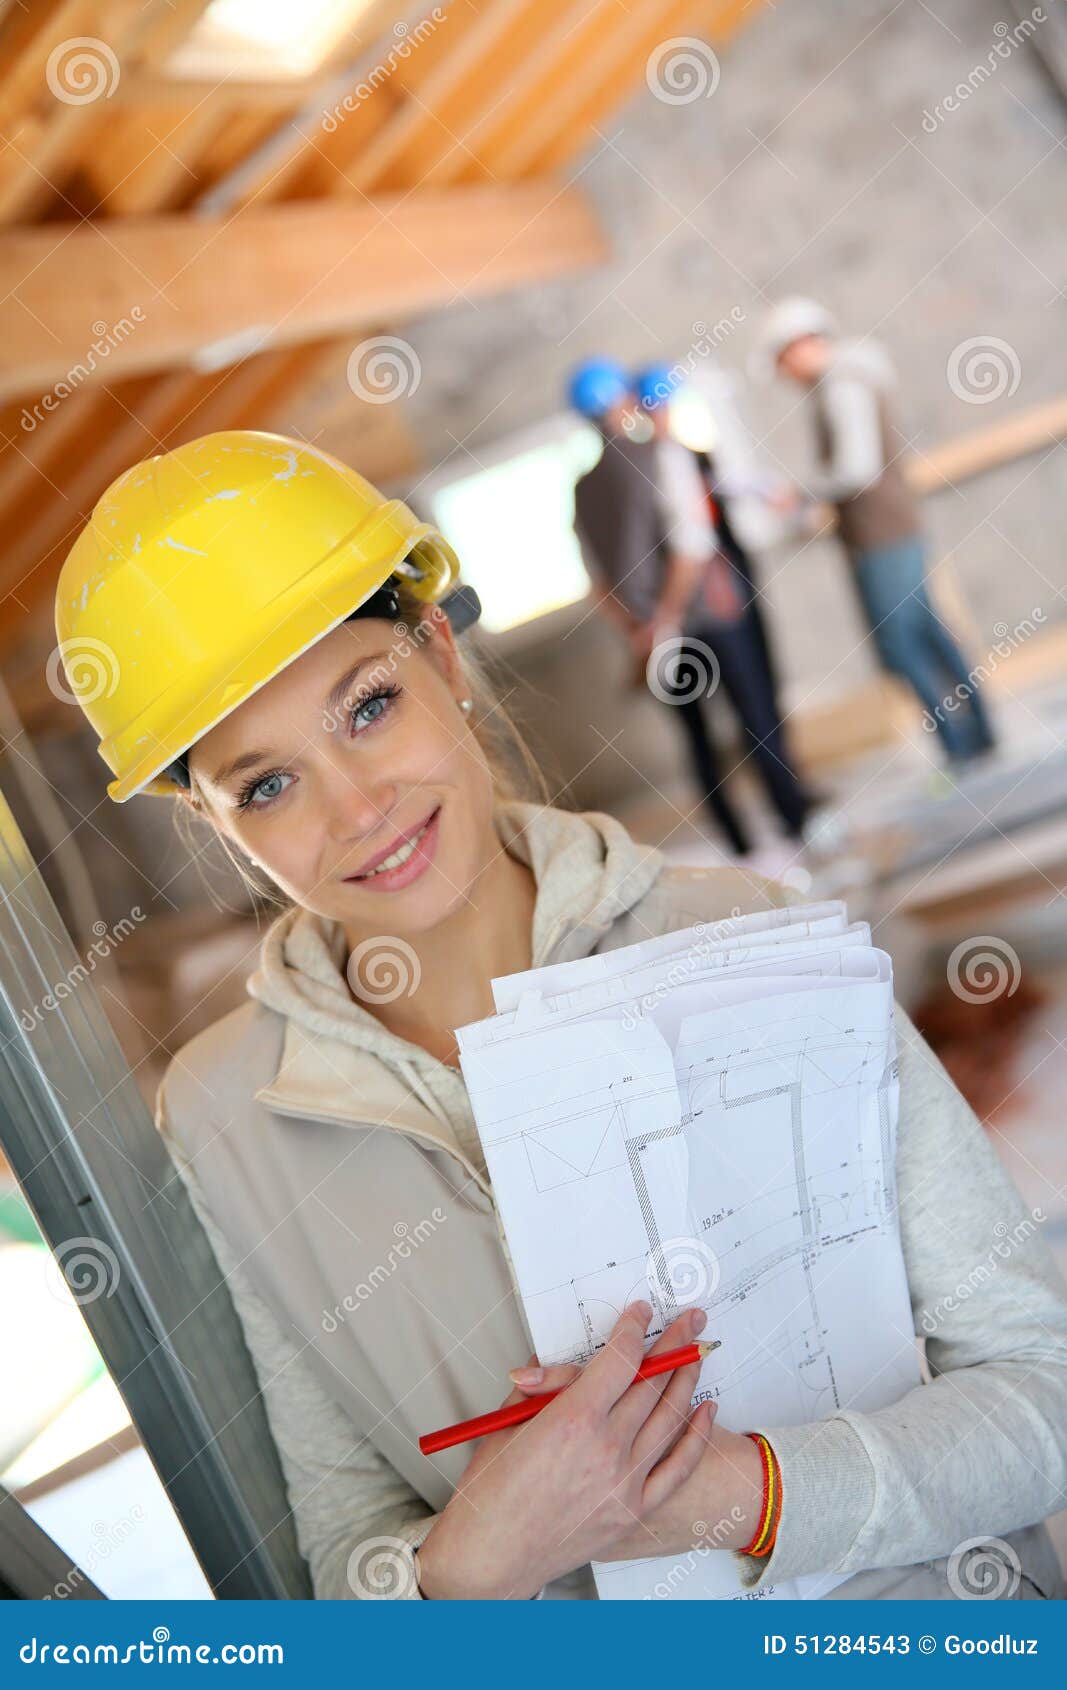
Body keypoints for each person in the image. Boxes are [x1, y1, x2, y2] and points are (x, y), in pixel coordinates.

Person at [53, 427, 1067, 1602]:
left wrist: (745, 1495)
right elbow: (337, 1553)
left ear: (438, 651)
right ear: (214, 822)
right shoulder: (227, 1115)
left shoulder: (745, 938)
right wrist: (470, 1562)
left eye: (369, 705)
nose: (358, 806)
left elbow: (1036, 1386)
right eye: (265, 784)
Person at [760, 298, 996, 764]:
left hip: (881, 534)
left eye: (782, 359)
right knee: (925, 631)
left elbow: (856, 469)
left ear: (801, 344)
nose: (784, 373)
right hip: (889, 529)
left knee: (901, 641)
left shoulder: (841, 385)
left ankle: (958, 742)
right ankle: (978, 734)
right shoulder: (848, 379)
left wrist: (802, 492)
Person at [632, 362, 811, 843]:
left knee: (763, 700)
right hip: (712, 606)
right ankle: (789, 815)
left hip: (732, 591)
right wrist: (667, 616)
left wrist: (779, 494)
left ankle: (791, 802)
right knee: (750, 708)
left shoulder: (689, 456)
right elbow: (688, 547)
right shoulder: (654, 466)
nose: (666, 415)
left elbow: (736, 482)